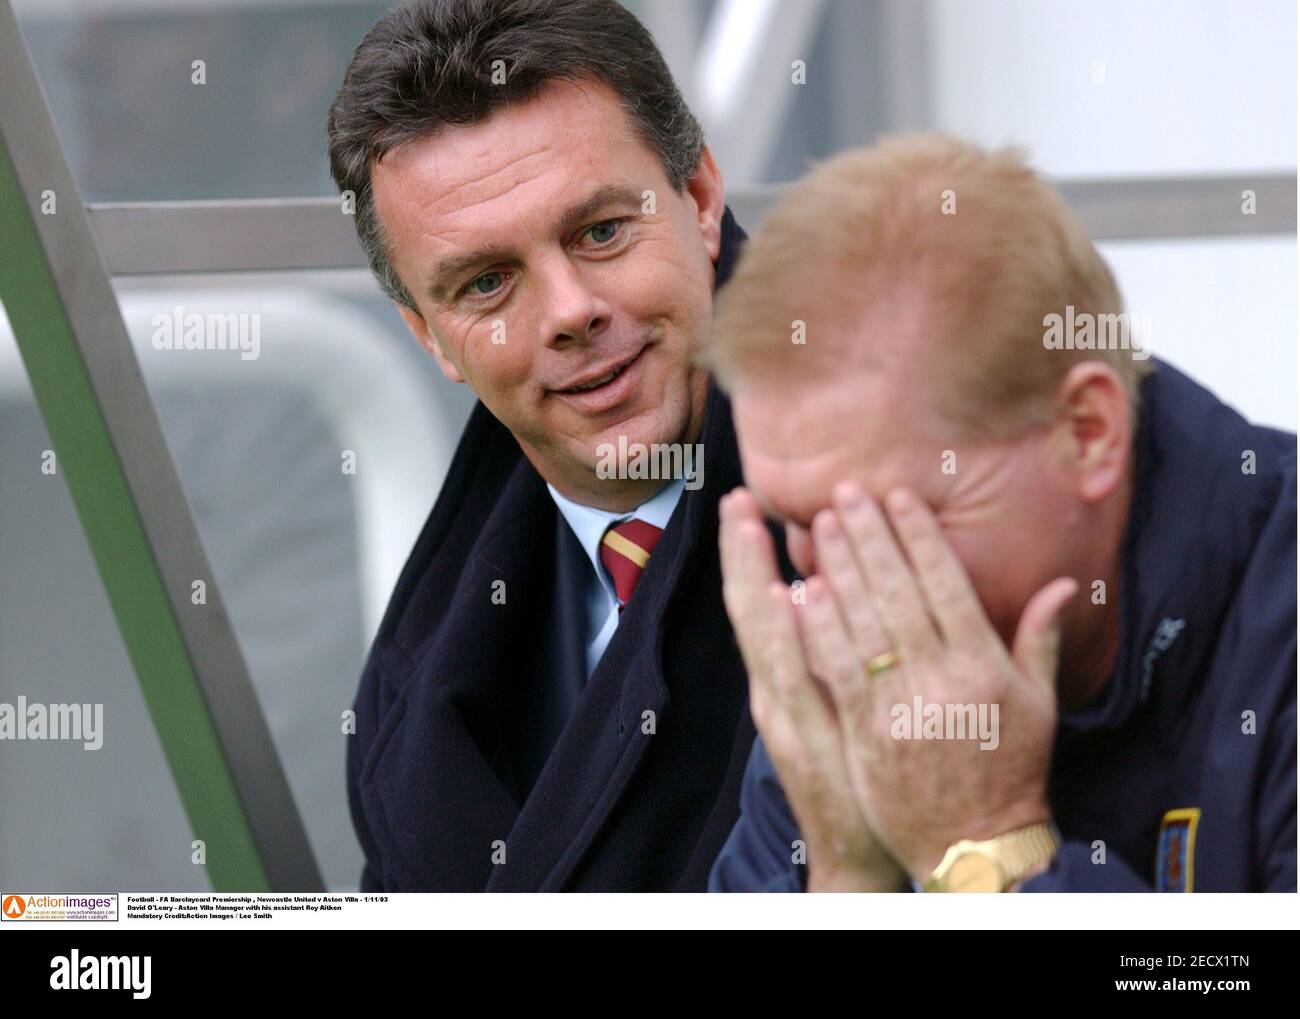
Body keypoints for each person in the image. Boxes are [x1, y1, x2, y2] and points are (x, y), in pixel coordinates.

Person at [703, 134, 1296, 892]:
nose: (832, 593)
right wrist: (849, 872)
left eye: (879, 528)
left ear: (1087, 433)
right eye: (793, 526)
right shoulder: (862, 658)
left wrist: (985, 846)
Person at [327, 0, 759, 890]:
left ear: (703, 198)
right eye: (487, 283)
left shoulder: (954, 454)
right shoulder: (411, 694)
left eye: (600, 231)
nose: (569, 313)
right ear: (431, 338)